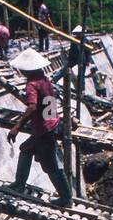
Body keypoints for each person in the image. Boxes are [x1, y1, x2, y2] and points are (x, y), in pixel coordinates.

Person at [6, 49, 72, 206]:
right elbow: (50, 102)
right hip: (51, 124)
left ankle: (66, 198)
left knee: (51, 165)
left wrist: (17, 125)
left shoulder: (32, 84)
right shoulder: (45, 80)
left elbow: (33, 107)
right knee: (26, 148)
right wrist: (49, 121)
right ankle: (19, 184)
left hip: (44, 131)